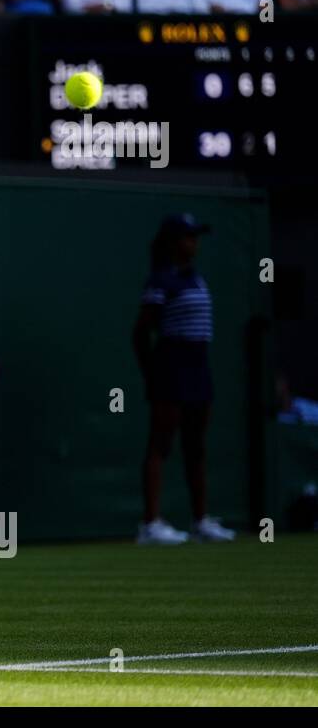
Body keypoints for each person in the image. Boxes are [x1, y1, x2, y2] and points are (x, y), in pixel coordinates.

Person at [131, 213, 235, 545]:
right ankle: (151, 524)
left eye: (196, 237)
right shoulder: (160, 282)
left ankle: (200, 520)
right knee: (160, 444)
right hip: (172, 367)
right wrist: (154, 372)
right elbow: (141, 332)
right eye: (188, 237)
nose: (195, 243)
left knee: (196, 447)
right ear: (174, 242)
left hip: (198, 367)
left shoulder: (197, 280)